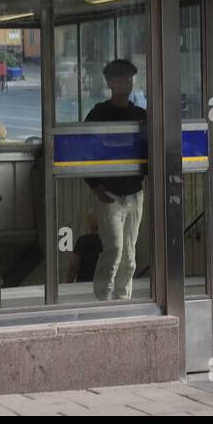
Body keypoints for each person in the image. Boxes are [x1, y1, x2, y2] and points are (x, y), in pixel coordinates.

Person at [85, 59, 147, 301]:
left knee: (129, 257)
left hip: (134, 193)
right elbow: (85, 151)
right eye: (123, 79)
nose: (128, 84)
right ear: (111, 83)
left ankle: (123, 301)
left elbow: (148, 151)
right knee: (114, 251)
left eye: (130, 79)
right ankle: (103, 300)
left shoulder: (140, 115)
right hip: (108, 194)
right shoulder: (99, 114)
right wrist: (95, 184)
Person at [67, 211, 104, 285]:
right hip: (103, 283)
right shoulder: (108, 241)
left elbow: (74, 265)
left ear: (89, 224)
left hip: (83, 283)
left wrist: (68, 283)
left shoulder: (82, 241)